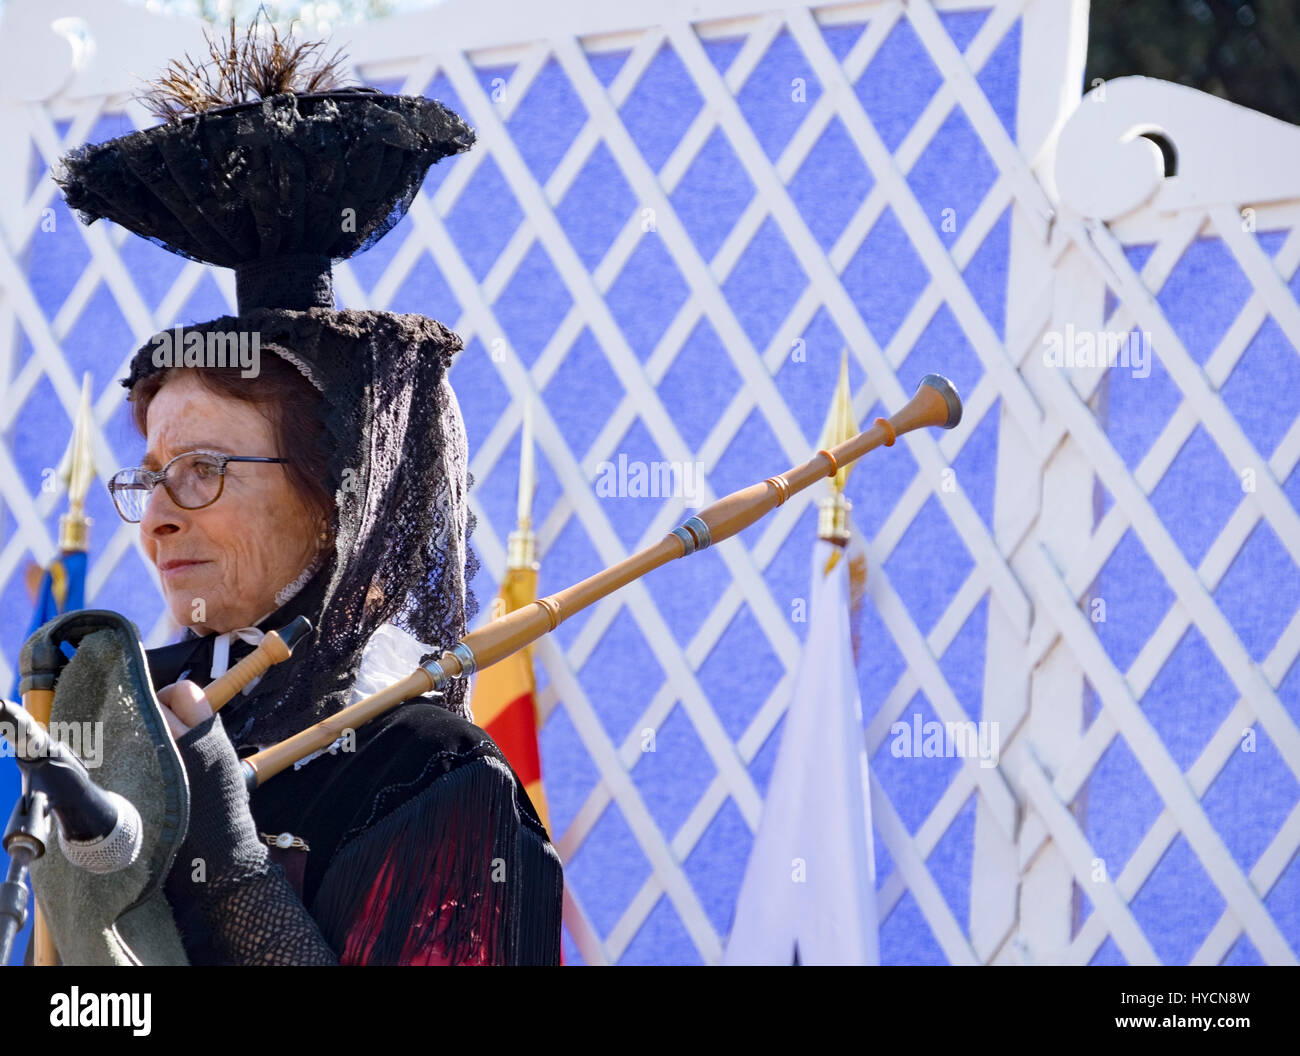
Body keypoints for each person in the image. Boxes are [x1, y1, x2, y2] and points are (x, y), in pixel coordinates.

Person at [50, 21, 564, 965]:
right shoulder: (126, 720)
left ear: (342, 496)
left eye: (203, 470)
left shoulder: (429, 774)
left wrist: (232, 859)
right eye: (152, 476)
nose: (159, 517)